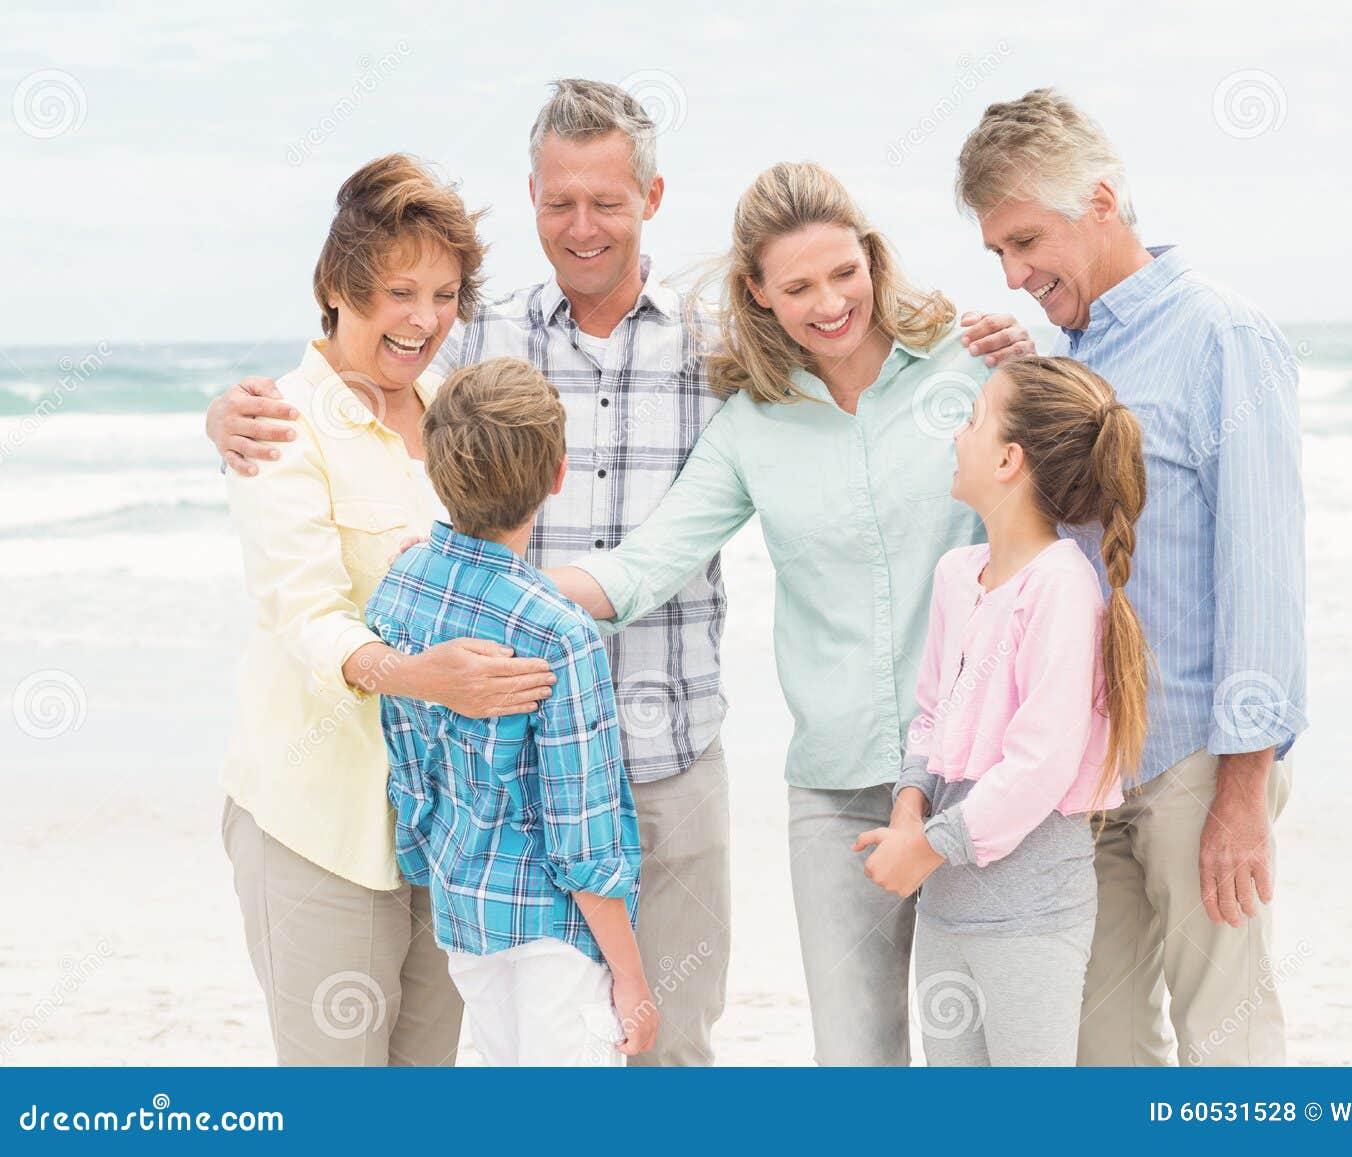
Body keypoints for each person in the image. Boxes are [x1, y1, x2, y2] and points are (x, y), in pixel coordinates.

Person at [204, 79, 1029, 1065]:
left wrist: (992, 348)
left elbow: (836, 335)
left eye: (607, 200)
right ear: (533, 197)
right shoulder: (474, 340)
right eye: (560, 201)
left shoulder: (723, 344)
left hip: (673, 758)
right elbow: (359, 372)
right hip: (518, 777)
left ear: (652, 196)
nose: (582, 225)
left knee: (670, 1048)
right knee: (535, 1055)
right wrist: (227, 416)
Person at [550, 160, 1031, 1065]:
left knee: (978, 1057)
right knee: (854, 1061)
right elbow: (651, 563)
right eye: (799, 285)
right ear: (760, 297)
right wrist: (508, 599)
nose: (830, 301)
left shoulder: (973, 366)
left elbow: (1069, 494)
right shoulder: (753, 425)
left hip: (977, 772)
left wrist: (1037, 358)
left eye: (844, 272)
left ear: (874, 260)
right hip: (838, 784)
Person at [956, 88, 1308, 1065]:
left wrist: (1243, 792)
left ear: (1100, 203)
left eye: (1027, 241)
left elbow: (1264, 573)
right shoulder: (1066, 354)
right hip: (1084, 769)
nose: (1017, 272)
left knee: (1225, 1038)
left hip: (1197, 757)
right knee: (1095, 1045)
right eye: (998, 254)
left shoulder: (1220, 336)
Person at [220, 155, 556, 1066]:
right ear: (337, 286)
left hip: (445, 826)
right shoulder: (280, 423)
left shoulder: (458, 406)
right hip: (323, 820)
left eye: (444, 294)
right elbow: (305, 613)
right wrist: (413, 676)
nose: (423, 320)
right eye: (398, 292)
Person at [855, 356, 1148, 1066]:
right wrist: (908, 807)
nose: (957, 434)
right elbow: (932, 714)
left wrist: (928, 844)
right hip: (947, 902)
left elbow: (1038, 766)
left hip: (1031, 910)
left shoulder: (1063, 587)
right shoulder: (959, 574)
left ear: (1010, 459)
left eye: (975, 418)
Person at [365, 356, 654, 1066]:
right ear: (557, 476)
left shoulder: (401, 583)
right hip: (554, 933)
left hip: (465, 913)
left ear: (436, 470)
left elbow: (411, 765)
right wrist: (633, 975)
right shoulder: (560, 633)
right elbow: (582, 841)